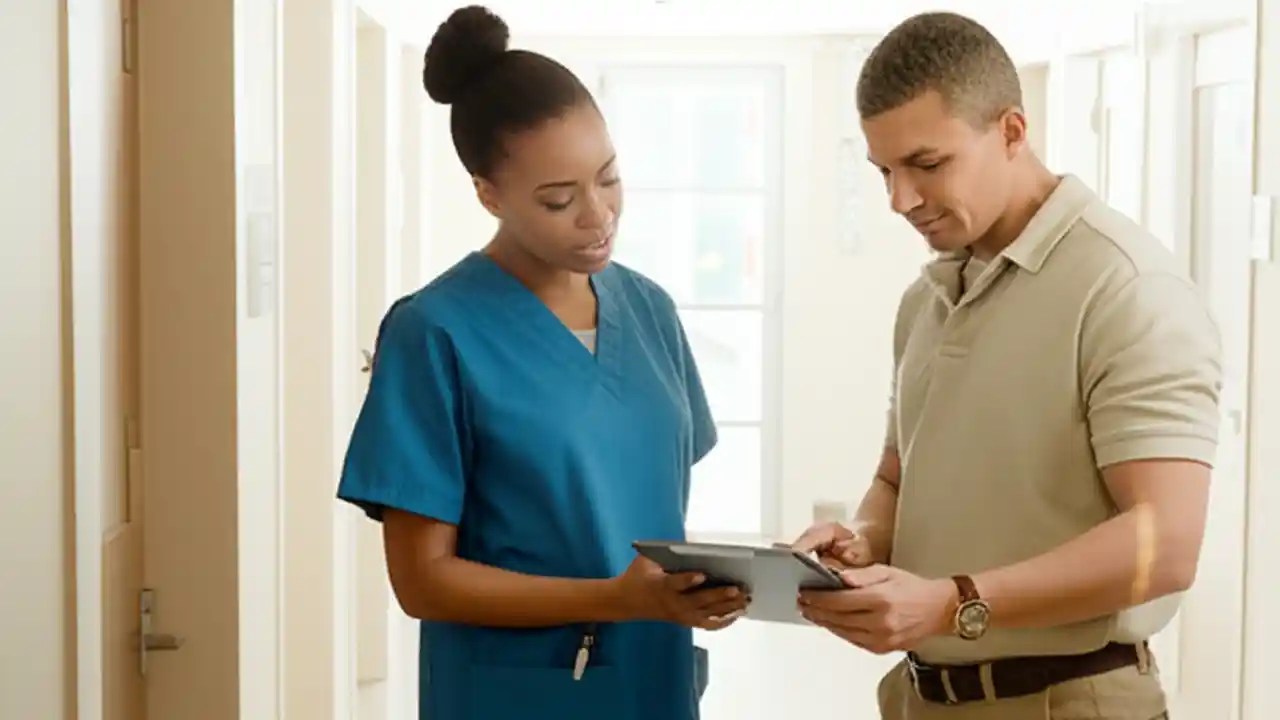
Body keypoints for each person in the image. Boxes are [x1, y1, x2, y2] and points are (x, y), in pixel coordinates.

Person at [791, 12, 1221, 719]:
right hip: (921, 698)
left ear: (1013, 132)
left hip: (1067, 701)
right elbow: (897, 479)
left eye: (927, 165)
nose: (900, 200)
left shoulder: (1127, 287)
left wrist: (951, 602)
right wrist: (862, 544)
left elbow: (1167, 543)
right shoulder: (926, 299)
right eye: (885, 171)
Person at [336, 6, 748, 719]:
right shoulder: (434, 332)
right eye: (558, 200)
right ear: (488, 195)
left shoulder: (649, 310)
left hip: (653, 677)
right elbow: (422, 582)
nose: (598, 215)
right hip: (517, 692)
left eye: (609, 179)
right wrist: (617, 599)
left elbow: (641, 506)